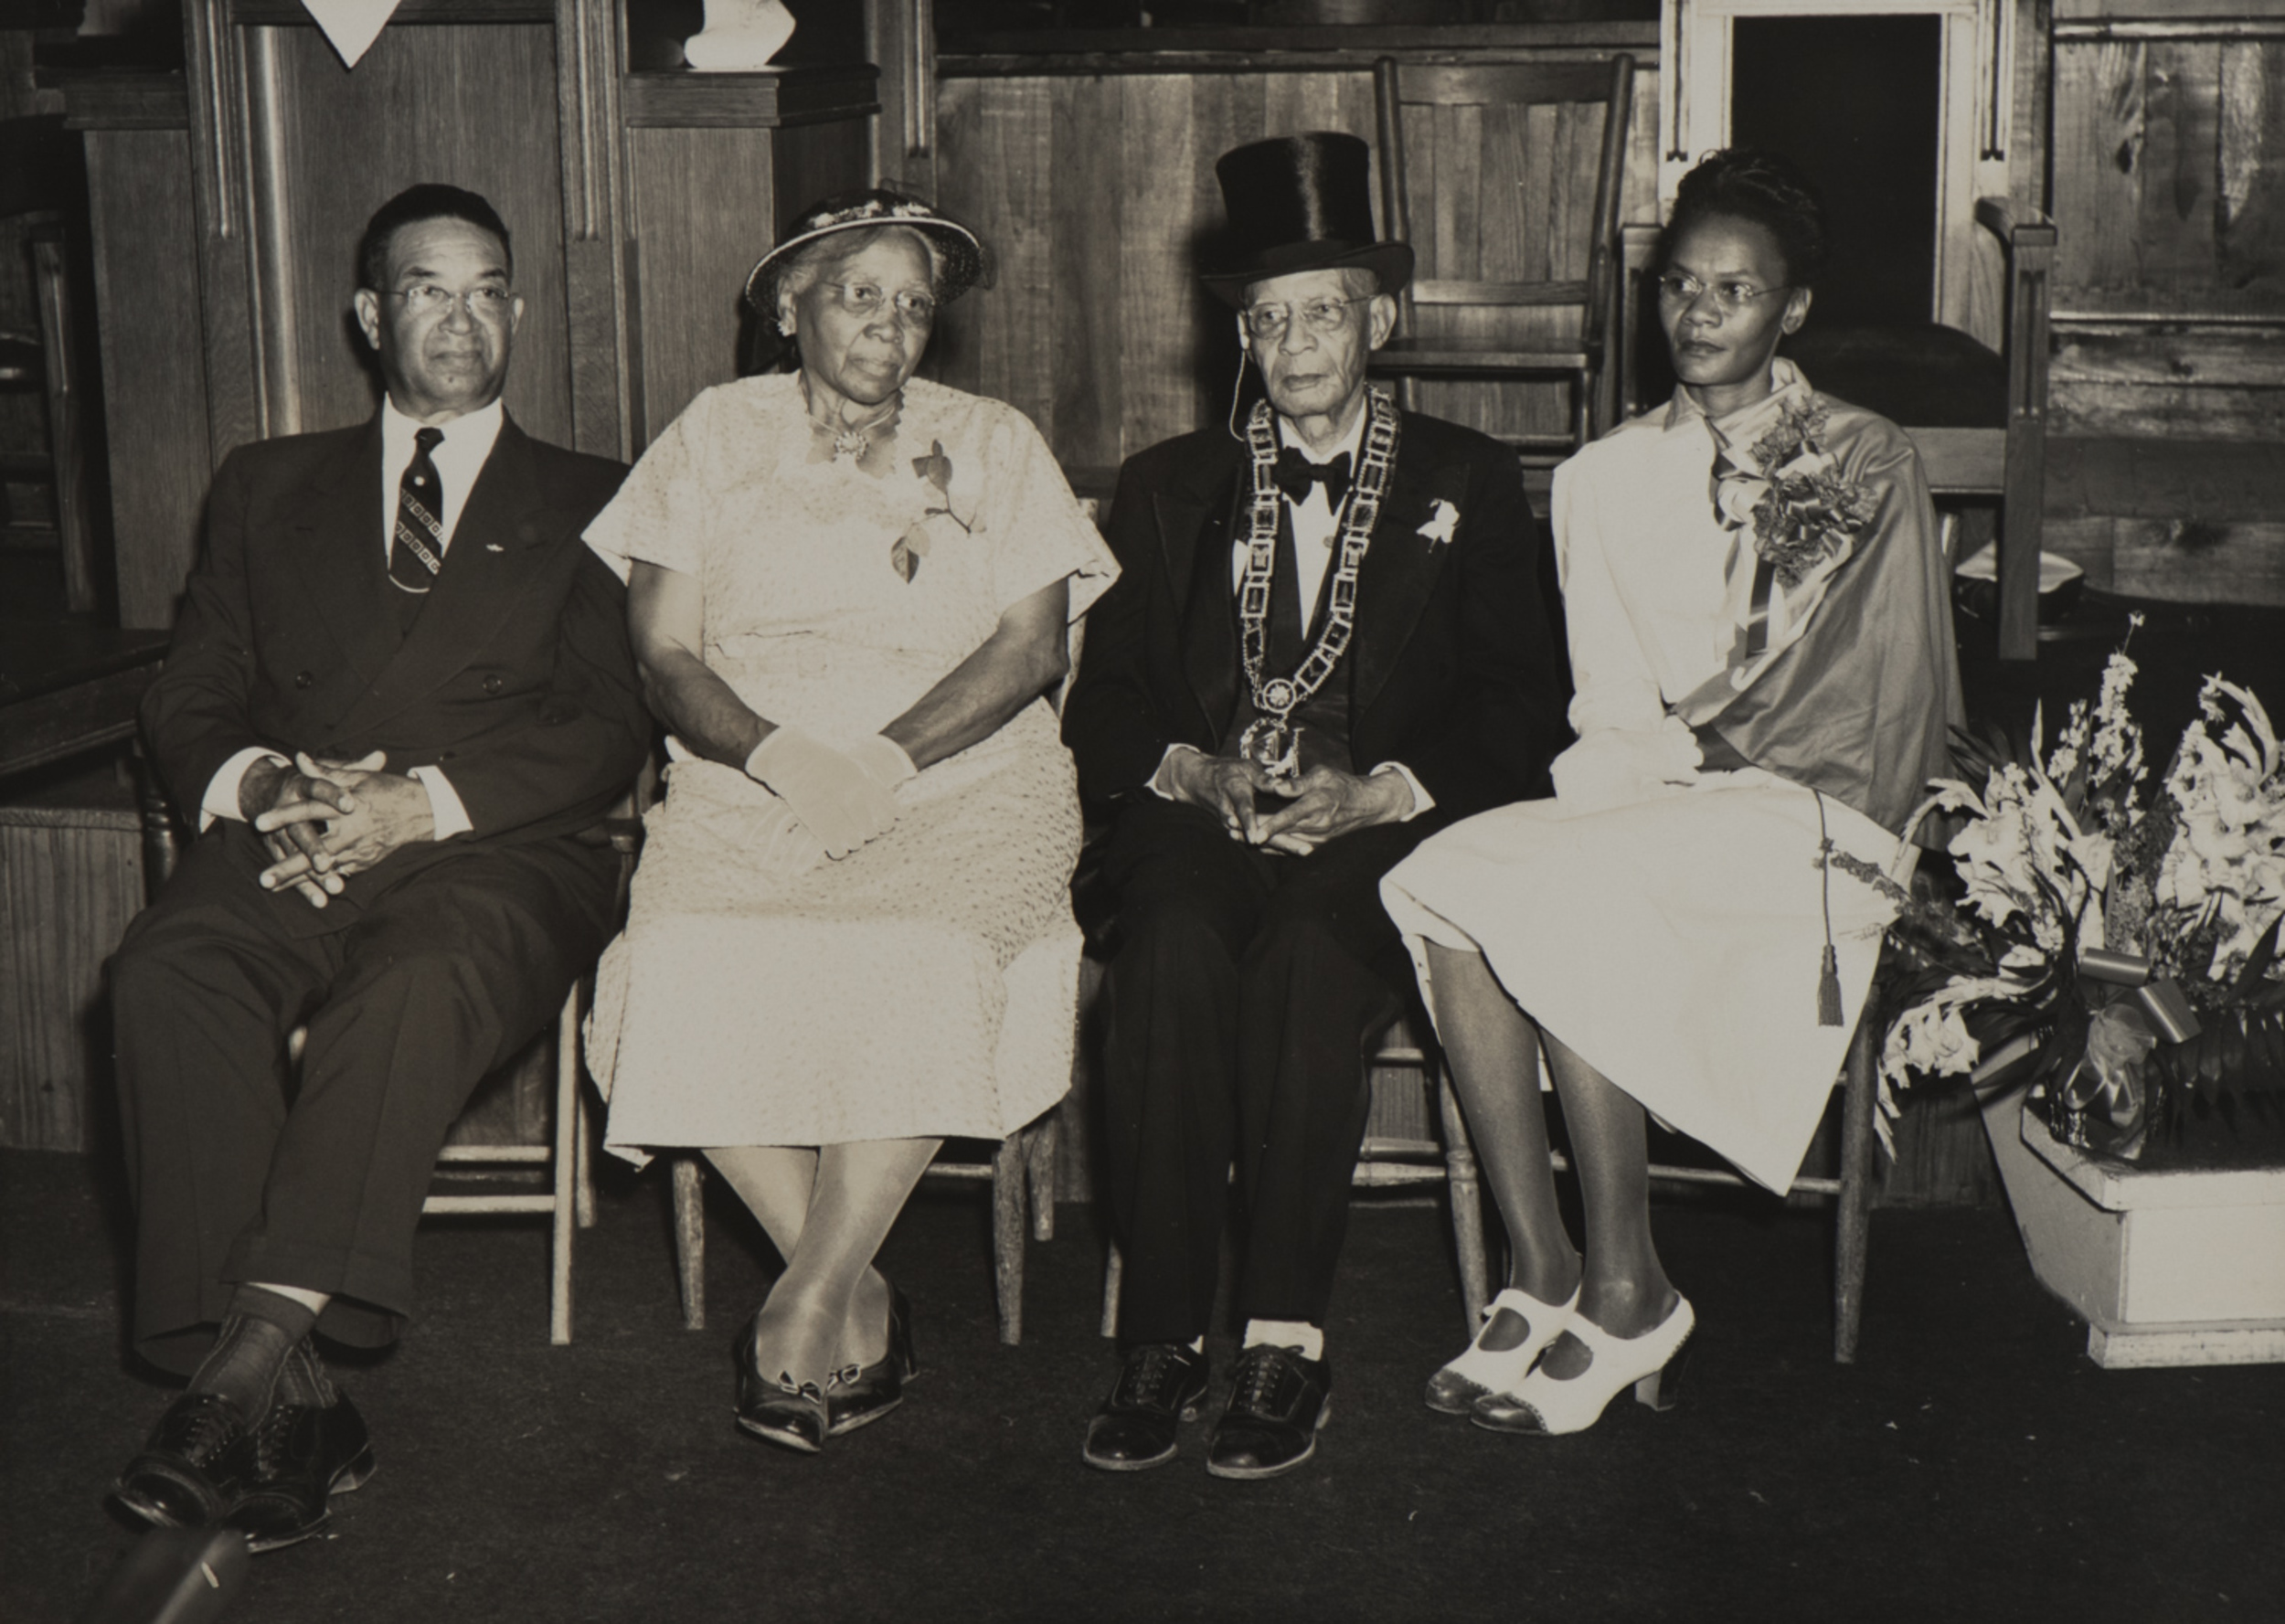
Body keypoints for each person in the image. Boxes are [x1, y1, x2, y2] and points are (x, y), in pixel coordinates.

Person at [1379, 149, 1963, 1437]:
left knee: (1577, 895)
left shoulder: (1865, 459)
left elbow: (1885, 693)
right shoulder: (1602, 475)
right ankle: (1543, 1267)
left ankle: (1631, 1285)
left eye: (1735, 290)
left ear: (1792, 308)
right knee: (1443, 876)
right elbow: (1608, 698)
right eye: (1680, 285)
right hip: (1661, 791)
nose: (1699, 313)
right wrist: (1621, 782)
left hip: (1816, 810)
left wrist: (1689, 775)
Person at [109, 184, 649, 1547]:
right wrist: (266, 783)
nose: (462, 319)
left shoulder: (597, 497)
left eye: (487, 291)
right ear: (369, 315)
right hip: (295, 832)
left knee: (409, 989)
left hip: (497, 850)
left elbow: (605, 726)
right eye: (427, 290)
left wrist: (421, 803)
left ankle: (235, 1373)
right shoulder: (265, 484)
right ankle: (301, 1410)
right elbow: (191, 690)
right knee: (168, 969)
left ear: (516, 311)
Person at [1060, 133, 1569, 1481]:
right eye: (1267, 319)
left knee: (1304, 956)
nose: (1292, 345)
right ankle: (1163, 1336)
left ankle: (1284, 1337)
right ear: (1241, 334)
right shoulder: (1166, 485)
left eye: (1323, 313)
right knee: (1171, 943)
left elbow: (1524, 702)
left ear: (1380, 323)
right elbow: (1102, 706)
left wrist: (1385, 789)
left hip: (1385, 827)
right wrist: (1192, 770)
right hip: (1207, 818)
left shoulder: (1469, 478)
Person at [580, 188, 1116, 1455]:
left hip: (966, 779)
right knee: (672, 959)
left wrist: (880, 760)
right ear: (790, 304)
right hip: (747, 778)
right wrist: (779, 758)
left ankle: (805, 1300)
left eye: (914, 305)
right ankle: (858, 1282)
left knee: (925, 952)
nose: (891, 323)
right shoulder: (713, 433)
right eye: (860, 294)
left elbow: (1033, 648)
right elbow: (664, 652)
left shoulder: (993, 439)